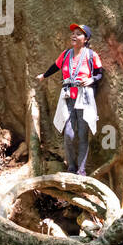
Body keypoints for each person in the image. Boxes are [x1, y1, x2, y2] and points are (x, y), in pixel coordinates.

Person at [32, 23, 103, 176]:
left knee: (83, 134)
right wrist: (44, 76)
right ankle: (71, 166)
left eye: (79, 34)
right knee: (69, 134)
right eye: (73, 33)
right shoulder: (66, 54)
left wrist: (91, 80)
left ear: (86, 39)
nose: (74, 36)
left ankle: (81, 170)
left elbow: (99, 74)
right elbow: (55, 66)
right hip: (67, 96)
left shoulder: (91, 55)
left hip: (84, 97)